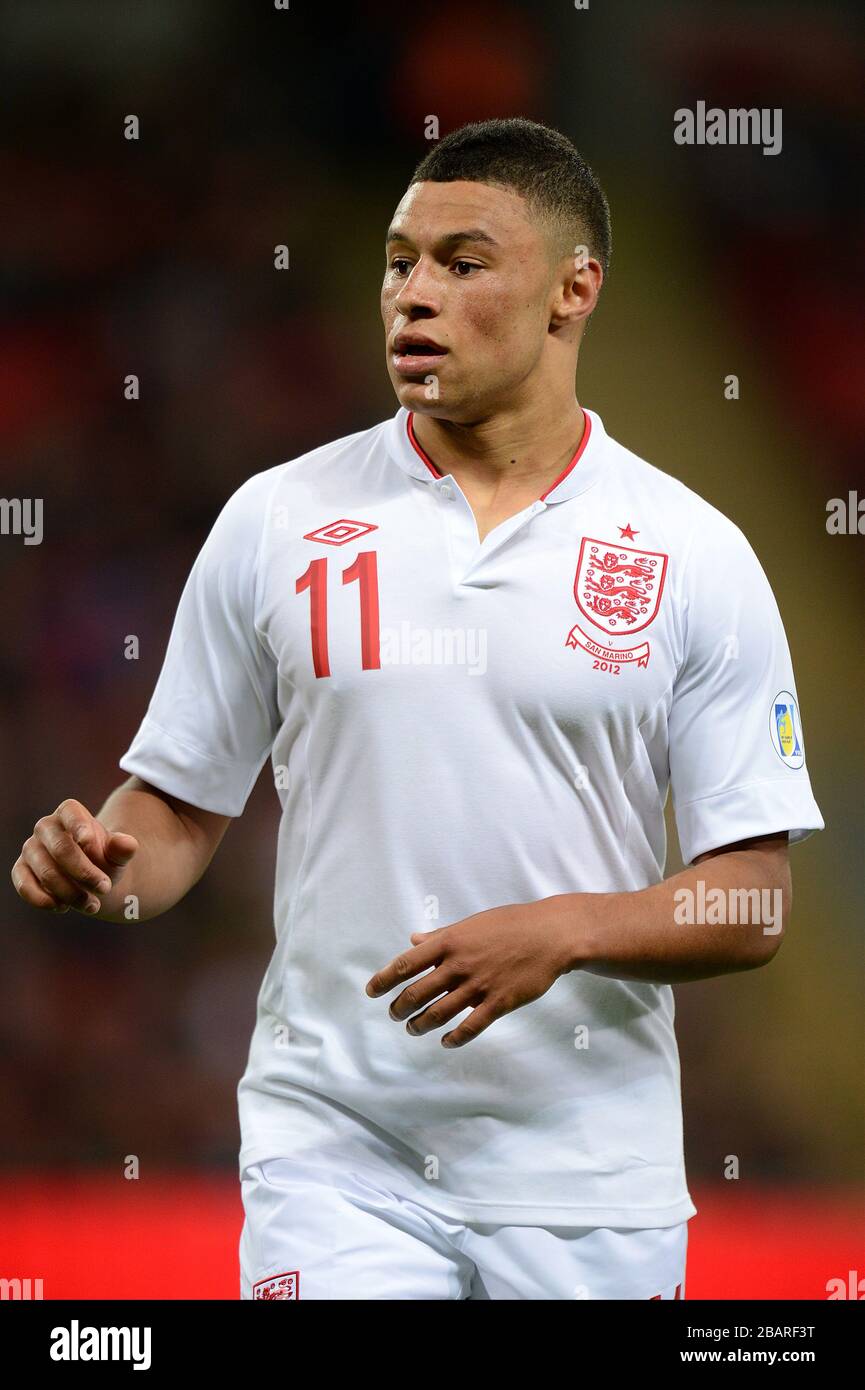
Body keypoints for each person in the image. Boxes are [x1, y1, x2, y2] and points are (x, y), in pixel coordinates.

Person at [11, 117, 824, 1300]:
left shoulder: (694, 554)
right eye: (398, 261)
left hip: (585, 1181)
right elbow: (175, 819)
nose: (411, 294)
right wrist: (105, 863)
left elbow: (751, 898)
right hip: (335, 1157)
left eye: (462, 261)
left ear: (572, 289)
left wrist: (566, 930)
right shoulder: (276, 522)